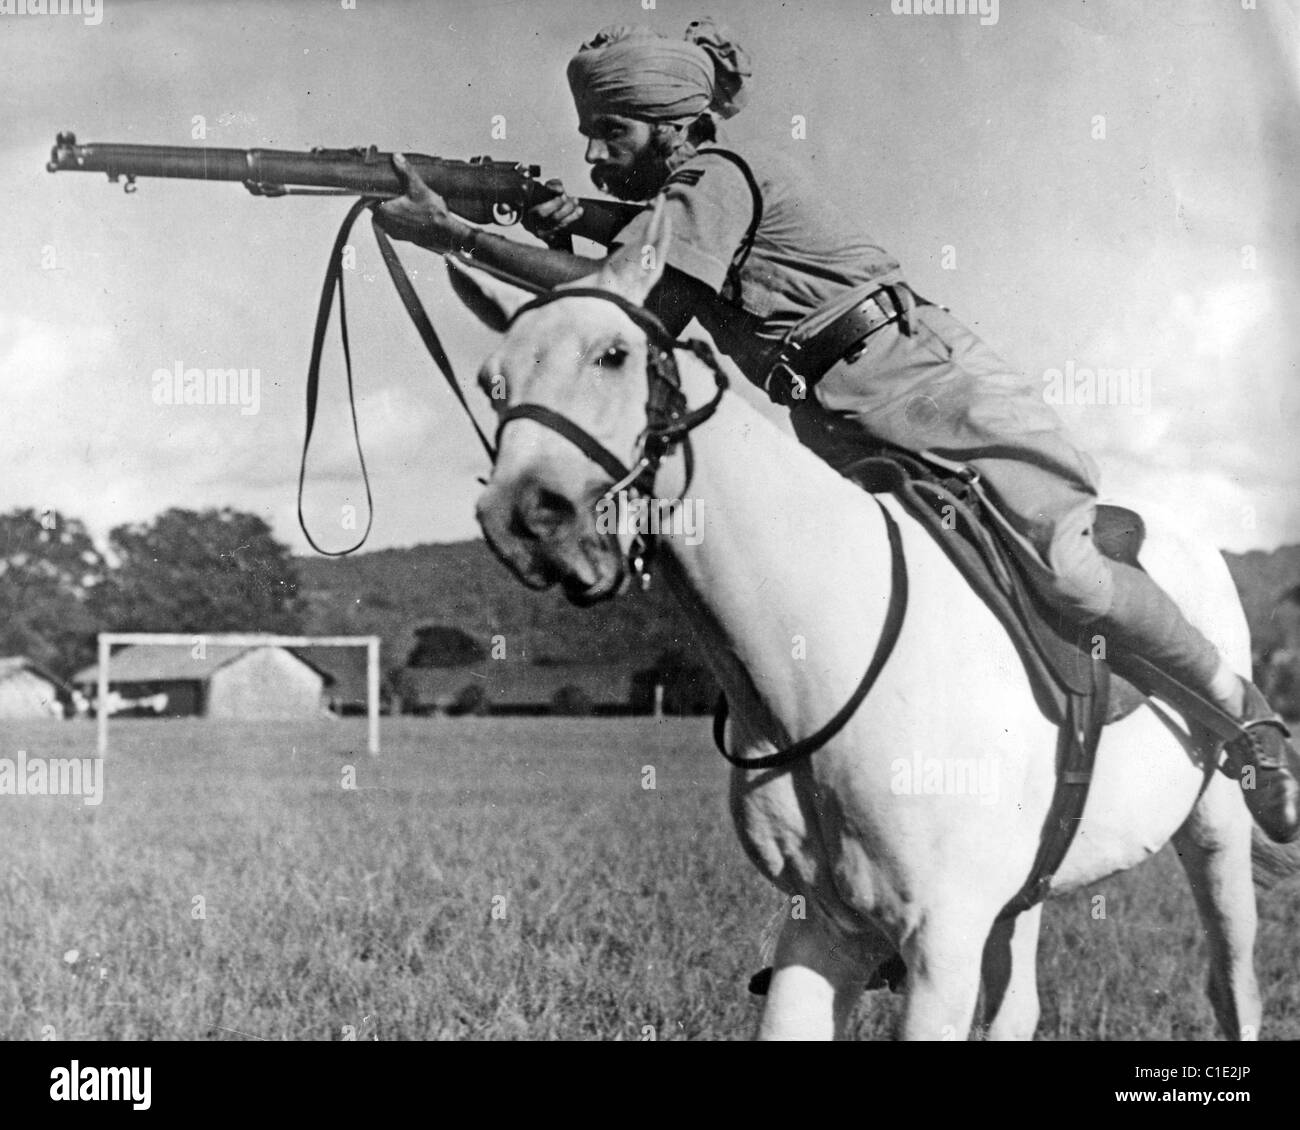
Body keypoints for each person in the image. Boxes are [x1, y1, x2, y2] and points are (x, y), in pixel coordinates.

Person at [375, 19, 1300, 843]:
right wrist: (570, 220)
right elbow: (634, 270)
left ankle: (1244, 716)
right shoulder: (686, 204)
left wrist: (454, 233)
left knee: (1071, 574)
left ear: (678, 127)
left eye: (610, 133)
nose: (592, 153)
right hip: (837, 424)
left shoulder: (720, 176)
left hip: (940, 395)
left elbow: (619, 299)